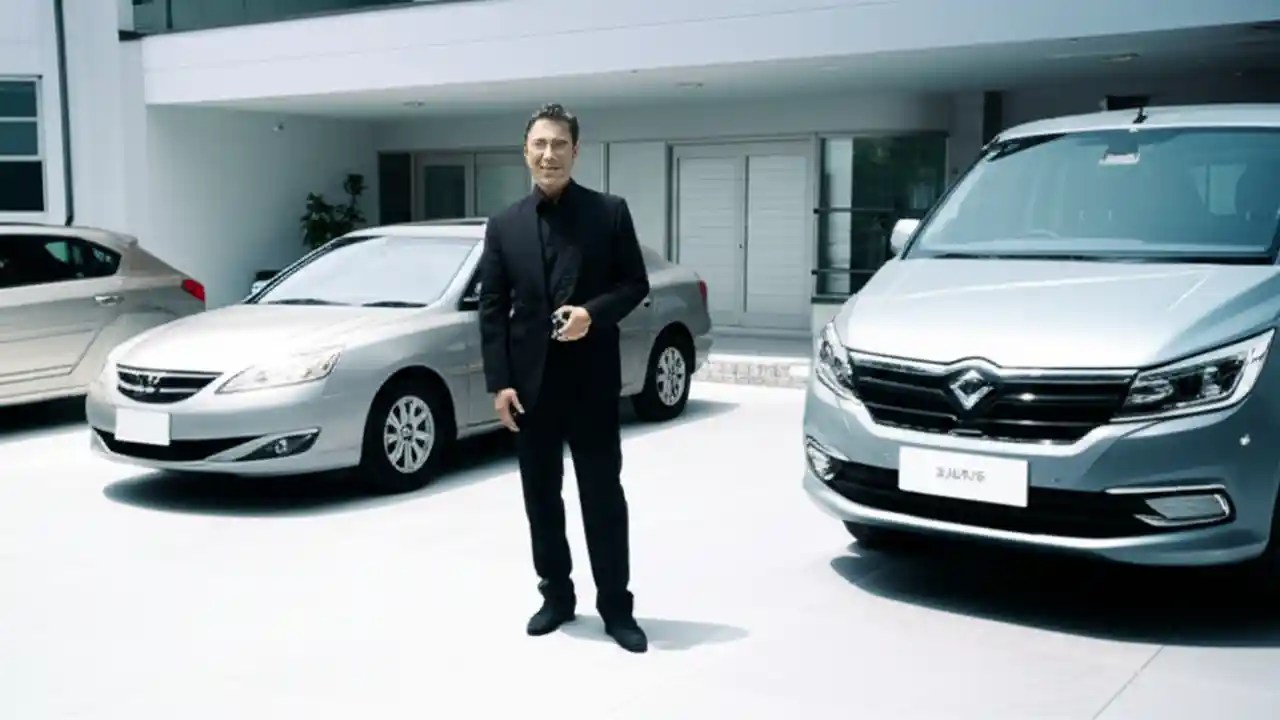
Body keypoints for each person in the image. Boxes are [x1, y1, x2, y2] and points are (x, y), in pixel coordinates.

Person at [476, 103, 651, 653]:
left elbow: (634, 284)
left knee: (602, 497)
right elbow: (492, 307)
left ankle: (616, 607)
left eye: (559, 145)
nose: (548, 154)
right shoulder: (503, 226)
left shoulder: (610, 213)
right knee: (541, 499)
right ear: (525, 151)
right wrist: (500, 383)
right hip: (531, 390)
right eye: (539, 145)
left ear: (576, 151)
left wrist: (590, 315)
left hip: (593, 384)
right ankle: (556, 596)